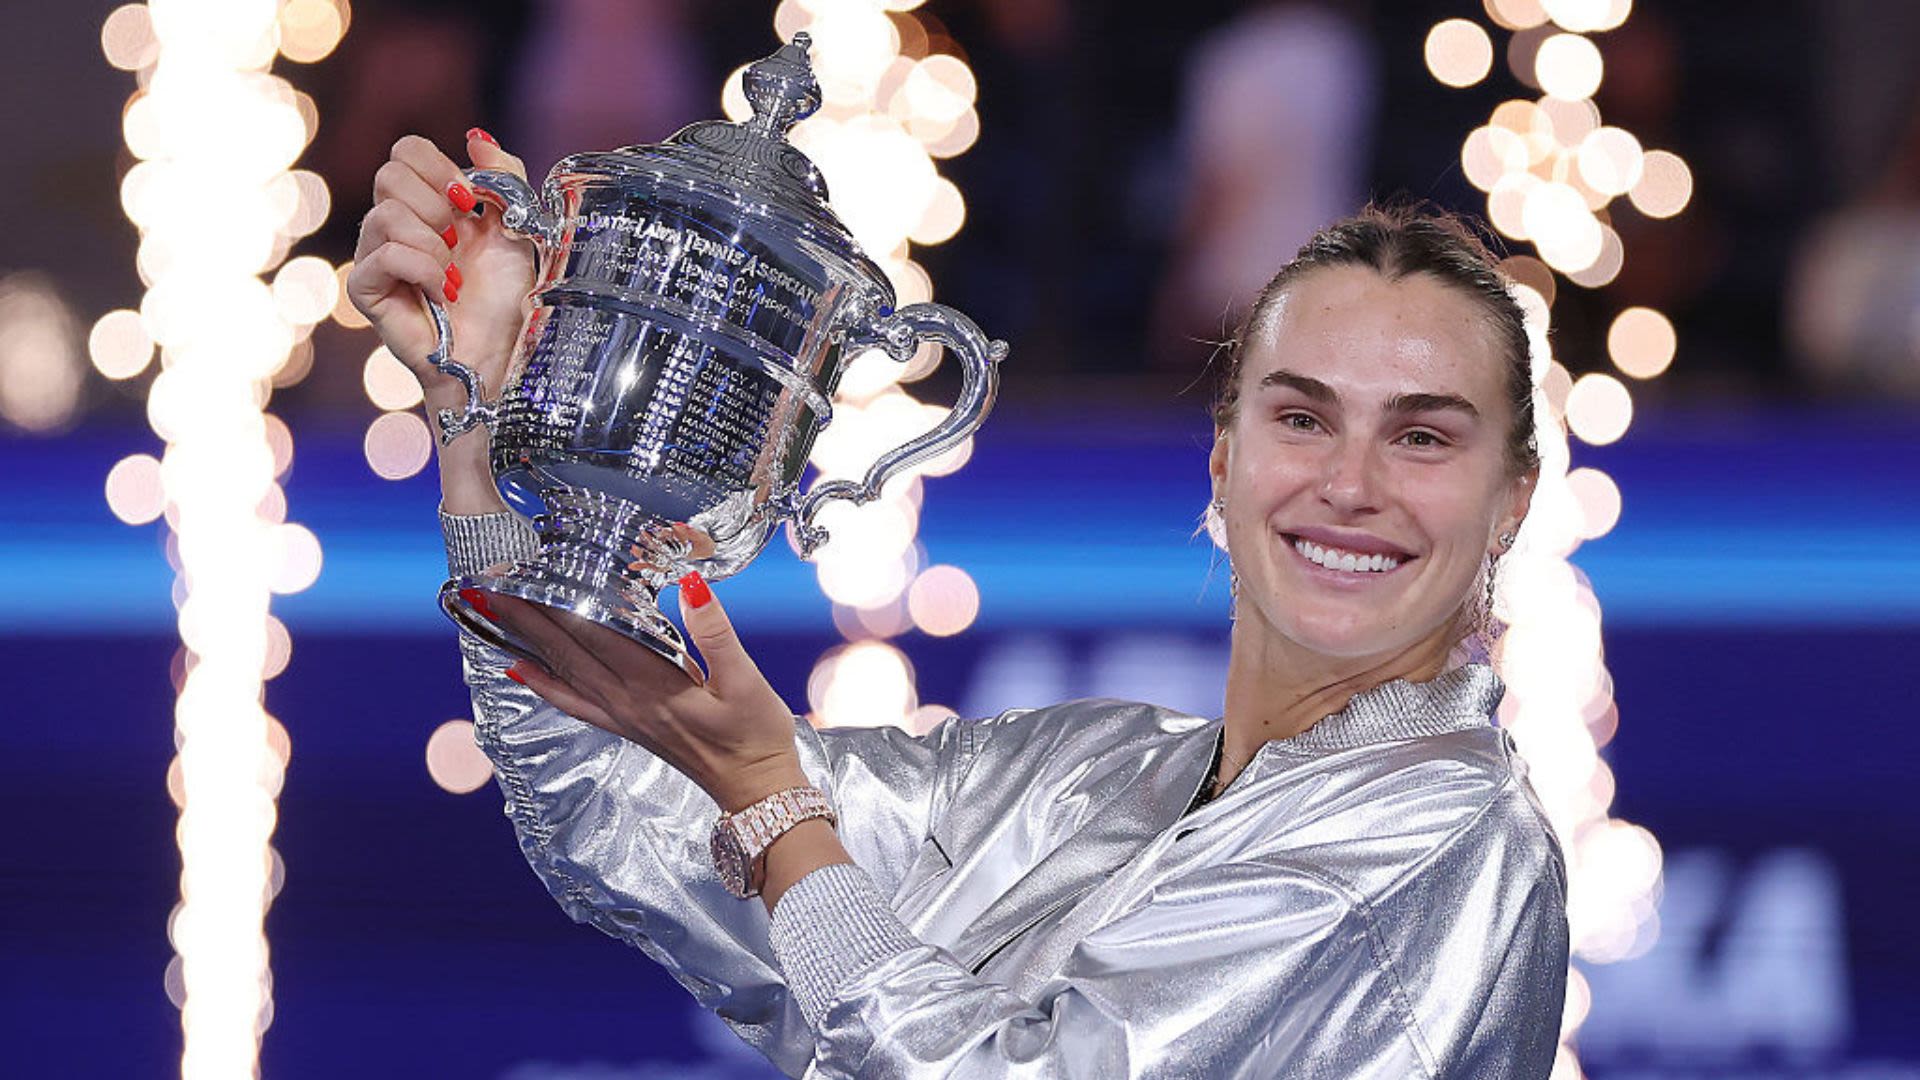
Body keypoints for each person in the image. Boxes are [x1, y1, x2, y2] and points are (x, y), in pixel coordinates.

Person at [348, 131, 1568, 1078]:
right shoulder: (1094, 772)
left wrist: (776, 807)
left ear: (1511, 499)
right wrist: (480, 405)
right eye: (1302, 418)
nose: (1349, 486)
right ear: (1223, 459)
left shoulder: (1447, 840)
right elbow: (621, 800)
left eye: (1421, 438)